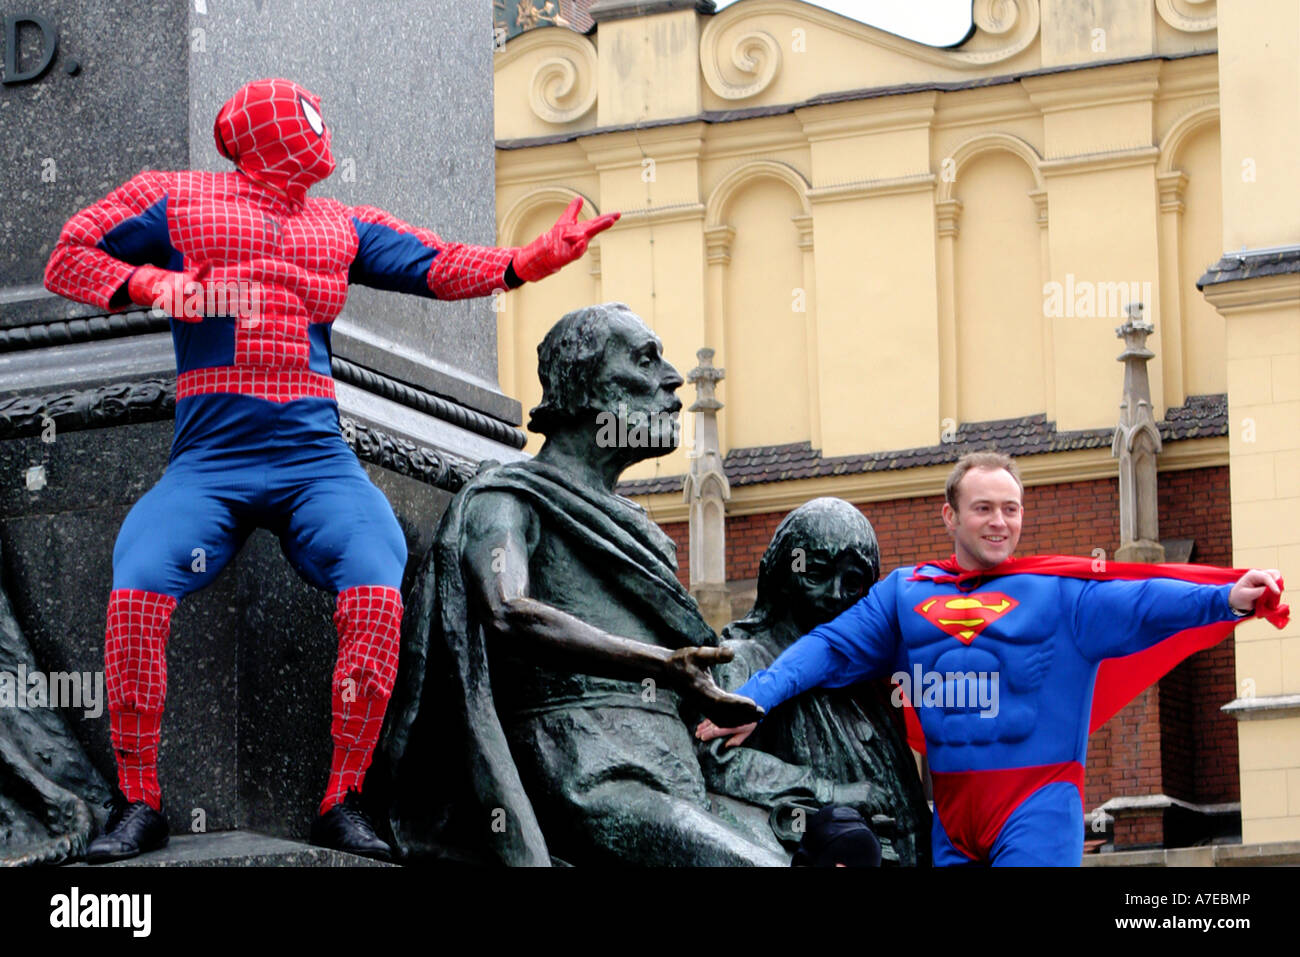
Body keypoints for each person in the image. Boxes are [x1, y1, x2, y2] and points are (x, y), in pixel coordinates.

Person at [42, 77, 617, 863]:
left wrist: (525, 262)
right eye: (300, 124)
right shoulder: (175, 199)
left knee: (378, 584)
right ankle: (137, 802)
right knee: (137, 588)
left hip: (315, 459)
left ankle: (342, 799)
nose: (316, 136)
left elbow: (438, 263)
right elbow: (68, 256)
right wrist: (152, 282)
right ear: (258, 136)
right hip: (211, 460)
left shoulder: (337, 224)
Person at [698, 450, 1288, 866]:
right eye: (983, 508)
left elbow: (1144, 602)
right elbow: (829, 647)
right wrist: (757, 698)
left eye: (1011, 508)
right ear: (950, 516)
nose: (999, 521)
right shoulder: (906, 592)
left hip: (1037, 802)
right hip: (952, 813)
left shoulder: (1061, 595)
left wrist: (1228, 598)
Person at [385, 302, 783, 866]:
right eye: (646, 361)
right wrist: (661, 665)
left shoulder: (638, 526)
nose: (672, 381)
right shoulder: (508, 498)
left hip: (670, 771)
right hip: (582, 768)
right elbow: (507, 609)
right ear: (587, 388)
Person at [697, 498, 930, 865]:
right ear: (781, 575)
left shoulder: (872, 677)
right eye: (817, 574)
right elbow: (715, 759)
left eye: (853, 582)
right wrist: (831, 791)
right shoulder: (742, 659)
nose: (836, 594)